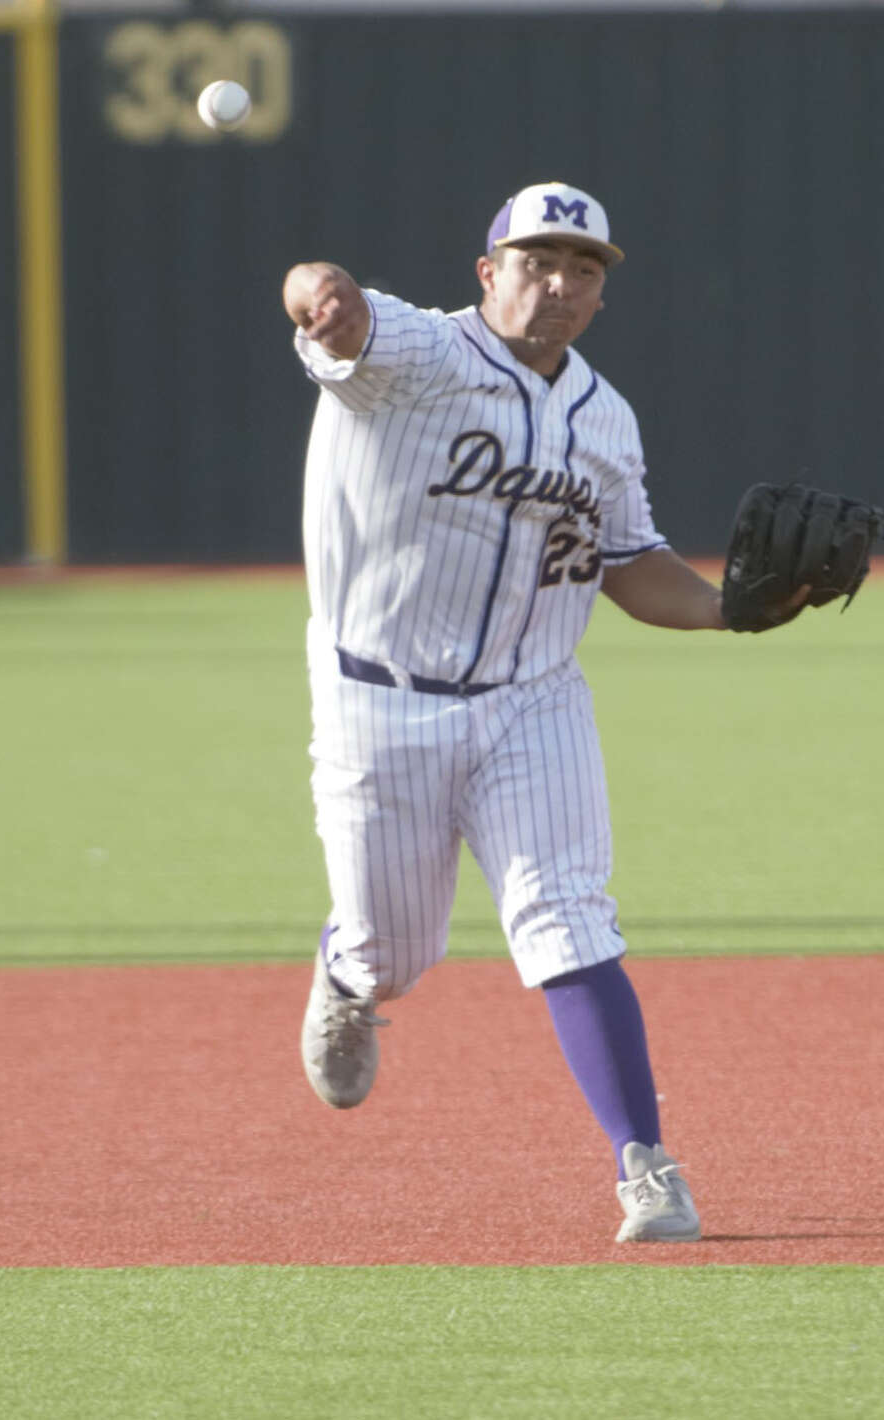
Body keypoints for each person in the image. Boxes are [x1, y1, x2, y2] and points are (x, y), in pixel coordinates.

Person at [283, 181, 743, 1244]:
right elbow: (326, 303)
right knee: (399, 949)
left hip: (534, 700)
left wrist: (727, 610)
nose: (562, 282)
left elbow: (627, 562)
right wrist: (324, 294)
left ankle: (647, 1166)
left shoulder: (604, 417)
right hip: (377, 697)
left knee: (569, 919)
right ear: (488, 274)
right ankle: (351, 972)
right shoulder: (416, 353)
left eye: (583, 268)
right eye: (538, 261)